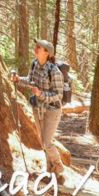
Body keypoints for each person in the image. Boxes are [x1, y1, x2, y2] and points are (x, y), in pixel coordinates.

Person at [12, 38, 67, 177]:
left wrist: (41, 94)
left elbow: (58, 95)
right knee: (43, 142)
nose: (35, 48)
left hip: (52, 110)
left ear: (46, 53)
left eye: (39, 47)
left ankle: (59, 166)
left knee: (47, 142)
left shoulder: (54, 71)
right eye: (36, 45)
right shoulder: (34, 64)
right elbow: (30, 81)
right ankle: (50, 171)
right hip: (38, 108)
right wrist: (18, 79)